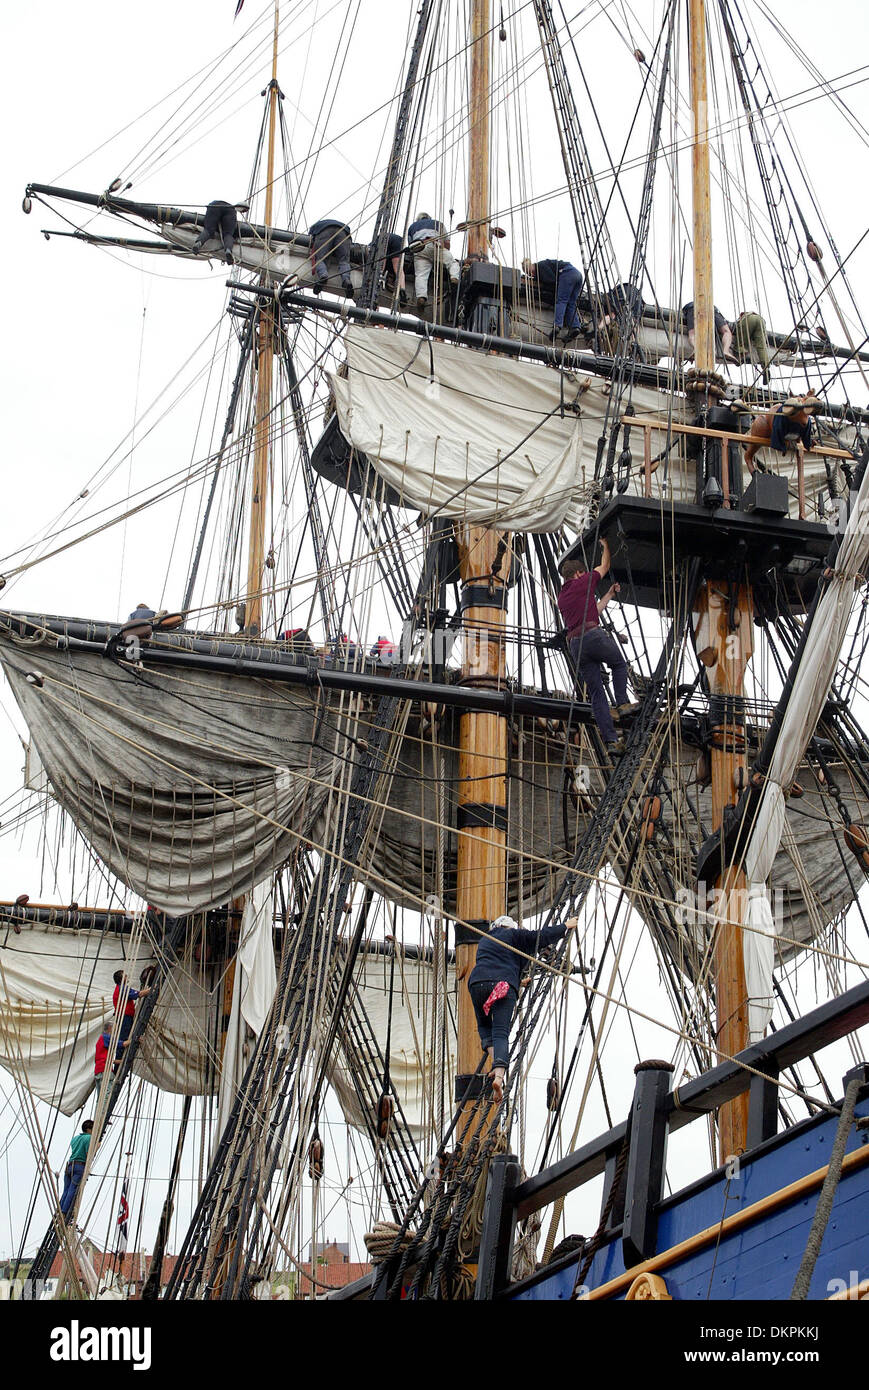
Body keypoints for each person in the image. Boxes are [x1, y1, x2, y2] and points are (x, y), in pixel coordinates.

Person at [467, 914, 579, 1103]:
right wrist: (564, 927)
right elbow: (540, 937)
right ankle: (500, 1077)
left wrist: (519, 982)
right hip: (502, 985)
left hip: (477, 984)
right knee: (500, 1032)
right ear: (511, 927)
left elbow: (499, 962)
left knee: (485, 1030)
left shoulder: (485, 940)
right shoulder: (514, 936)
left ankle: (495, 1066)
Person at [558, 538, 638, 752]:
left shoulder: (562, 596)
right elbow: (605, 566)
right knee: (619, 664)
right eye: (583, 574)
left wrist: (609, 594)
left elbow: (593, 611)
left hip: (576, 646)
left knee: (596, 694)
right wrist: (606, 546)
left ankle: (611, 741)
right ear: (578, 574)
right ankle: (622, 703)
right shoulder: (582, 582)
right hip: (593, 637)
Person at [522, 259, 584, 342]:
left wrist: (538, 280)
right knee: (571, 303)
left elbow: (552, 280)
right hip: (577, 275)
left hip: (567, 274)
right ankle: (575, 327)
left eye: (529, 272)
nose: (530, 275)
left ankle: (557, 326)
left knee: (561, 300)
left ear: (530, 266)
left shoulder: (540, 267)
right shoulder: (543, 265)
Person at [407, 213, 460, 308]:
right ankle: (454, 278)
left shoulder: (412, 227)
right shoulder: (438, 223)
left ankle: (421, 297)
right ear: (429, 217)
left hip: (419, 248)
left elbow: (411, 245)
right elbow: (447, 243)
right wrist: (444, 253)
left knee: (421, 275)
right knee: (452, 263)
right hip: (434, 244)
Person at [190, 200, 249, 265]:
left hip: (214, 206)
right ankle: (228, 250)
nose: (243, 212)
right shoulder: (232, 209)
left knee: (208, 230)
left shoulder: (219, 204)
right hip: (230, 211)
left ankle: (198, 243)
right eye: (243, 211)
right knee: (228, 234)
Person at [308, 218, 354, 297]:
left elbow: (312, 240)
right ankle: (346, 280)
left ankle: (323, 275)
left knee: (320, 258)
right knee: (344, 261)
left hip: (324, 231)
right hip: (343, 232)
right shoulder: (337, 224)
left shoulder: (316, 227)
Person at [112, 969, 151, 1061]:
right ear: (122, 978)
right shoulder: (122, 988)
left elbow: (137, 993)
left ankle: (120, 1060)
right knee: (124, 1038)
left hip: (125, 1016)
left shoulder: (122, 988)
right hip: (124, 1017)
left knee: (125, 1036)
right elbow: (138, 994)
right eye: (125, 975)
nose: (127, 976)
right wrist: (152, 989)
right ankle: (119, 1061)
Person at [59, 1120, 93, 1221]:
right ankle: (64, 1213)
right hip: (79, 1166)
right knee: (72, 1190)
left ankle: (60, 1211)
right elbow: (88, 1154)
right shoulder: (89, 1138)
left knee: (66, 1190)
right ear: (89, 1129)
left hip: (69, 1166)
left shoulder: (75, 1138)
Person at [732, 310, 772, 383]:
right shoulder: (755, 315)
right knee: (761, 347)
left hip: (748, 320)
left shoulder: (741, 319)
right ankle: (766, 368)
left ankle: (741, 358)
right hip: (760, 320)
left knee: (740, 345)